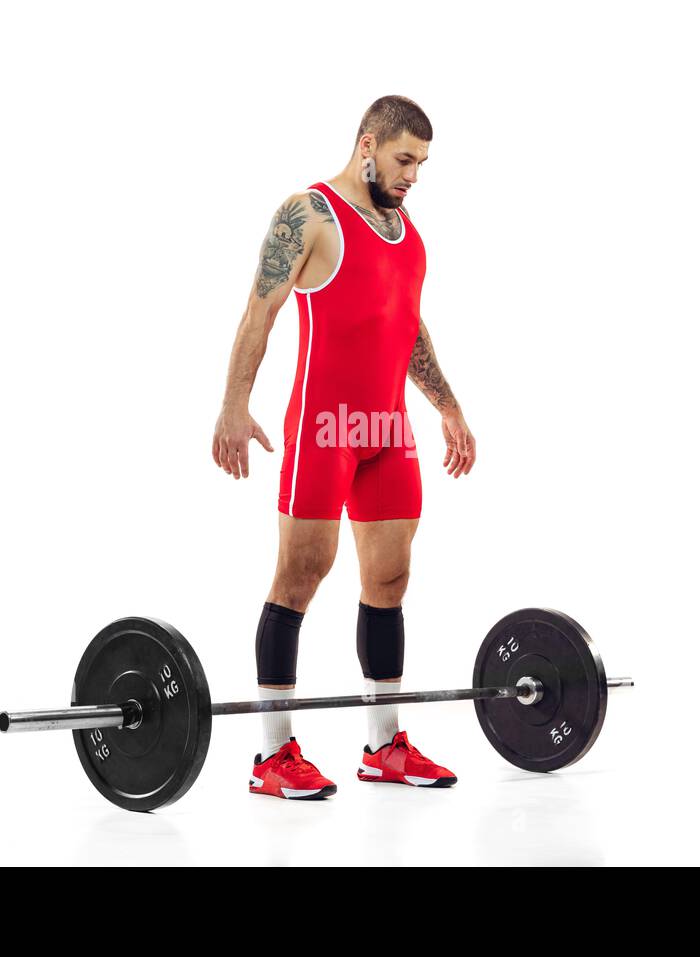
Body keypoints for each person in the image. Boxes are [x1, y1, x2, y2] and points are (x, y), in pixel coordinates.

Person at [212, 95, 475, 799]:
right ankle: (273, 755)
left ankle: (383, 743)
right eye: (403, 159)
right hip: (323, 427)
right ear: (368, 143)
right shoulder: (310, 213)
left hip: (387, 430)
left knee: (389, 581)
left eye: (421, 163)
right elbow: (259, 309)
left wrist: (447, 406)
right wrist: (235, 404)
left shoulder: (405, 229)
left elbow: (408, 326)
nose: (414, 174)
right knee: (301, 573)